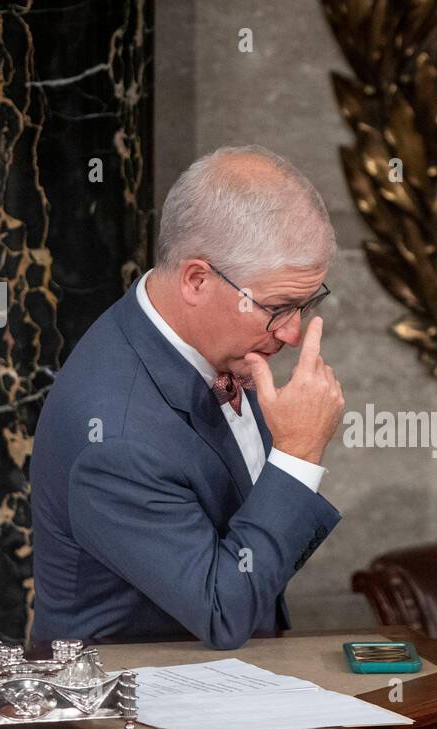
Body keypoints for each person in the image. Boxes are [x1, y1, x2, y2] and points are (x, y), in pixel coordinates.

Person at [31, 146, 345, 650]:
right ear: (197, 280)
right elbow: (222, 611)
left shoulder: (209, 346)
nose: (292, 333)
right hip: (132, 713)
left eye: (307, 303)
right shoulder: (117, 438)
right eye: (279, 307)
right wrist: (298, 456)